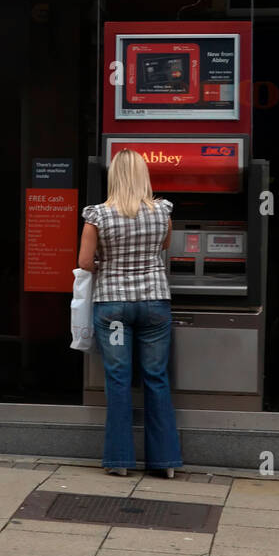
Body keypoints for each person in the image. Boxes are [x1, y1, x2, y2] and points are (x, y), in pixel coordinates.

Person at [78, 148, 182, 479]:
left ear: (114, 177)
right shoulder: (162, 211)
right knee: (156, 379)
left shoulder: (97, 215)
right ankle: (164, 463)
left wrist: (106, 264)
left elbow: (84, 262)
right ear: (143, 176)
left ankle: (120, 460)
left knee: (119, 381)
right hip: (154, 303)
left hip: (113, 306)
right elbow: (164, 246)